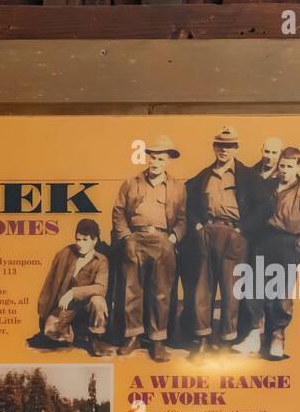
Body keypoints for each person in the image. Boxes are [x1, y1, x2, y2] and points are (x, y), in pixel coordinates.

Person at [183, 127, 269, 356]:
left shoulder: (249, 176)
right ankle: (202, 339)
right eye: (220, 145)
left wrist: (243, 229)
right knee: (203, 287)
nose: (224, 150)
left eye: (229, 146)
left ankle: (227, 340)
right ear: (214, 147)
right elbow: (188, 204)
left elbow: (264, 208)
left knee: (232, 290)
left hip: (234, 236)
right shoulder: (203, 176)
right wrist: (198, 226)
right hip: (207, 233)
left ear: (236, 148)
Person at [112, 135, 186, 363]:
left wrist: (173, 238)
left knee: (161, 293)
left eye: (161, 158)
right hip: (136, 239)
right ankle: (133, 337)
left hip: (163, 240)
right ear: (148, 158)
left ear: (168, 161)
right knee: (132, 290)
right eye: (153, 156)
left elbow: (182, 218)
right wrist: (126, 238)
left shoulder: (177, 187)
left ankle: (157, 341)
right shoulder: (131, 182)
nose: (155, 161)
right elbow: (118, 212)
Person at [241, 147, 300, 361]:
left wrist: (299, 248)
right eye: (282, 166)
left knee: (281, 293)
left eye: (289, 166)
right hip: (263, 241)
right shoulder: (268, 186)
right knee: (255, 287)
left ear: (298, 167)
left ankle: (277, 335)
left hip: (287, 244)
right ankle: (254, 333)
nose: (284, 170)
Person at [34, 218, 113, 356]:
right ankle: (77, 333)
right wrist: (43, 314)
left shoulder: (101, 261)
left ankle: (95, 338)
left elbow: (101, 288)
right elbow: (50, 283)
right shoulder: (65, 253)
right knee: (49, 331)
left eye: (84, 240)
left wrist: (74, 292)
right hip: (68, 307)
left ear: (94, 240)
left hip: (87, 306)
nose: (79, 244)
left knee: (98, 300)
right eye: (78, 239)